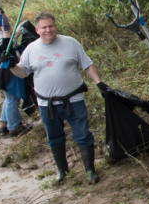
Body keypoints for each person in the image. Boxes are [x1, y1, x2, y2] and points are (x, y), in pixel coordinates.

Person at [8, 12, 106, 185]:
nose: (48, 30)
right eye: (44, 27)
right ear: (37, 29)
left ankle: (90, 170)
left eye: (51, 26)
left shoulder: (70, 43)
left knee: (82, 134)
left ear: (55, 26)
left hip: (73, 99)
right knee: (54, 137)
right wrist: (10, 66)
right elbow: (22, 72)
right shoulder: (31, 49)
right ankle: (62, 171)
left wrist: (99, 83)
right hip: (47, 104)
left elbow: (88, 65)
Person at [0, 5, 27, 137]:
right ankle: (14, 127)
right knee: (12, 96)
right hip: (2, 65)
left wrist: (14, 33)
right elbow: (4, 47)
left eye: (2, 13)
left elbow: (10, 42)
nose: (1, 16)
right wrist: (8, 32)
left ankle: (3, 123)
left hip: (6, 62)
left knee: (9, 96)